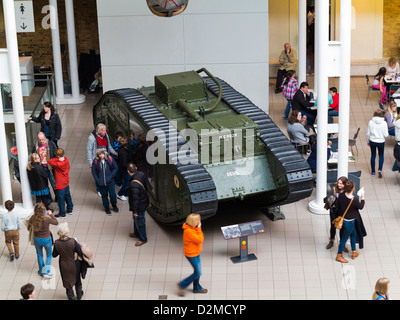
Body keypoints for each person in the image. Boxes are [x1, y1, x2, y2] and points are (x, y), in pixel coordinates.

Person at [178, 213, 207, 296]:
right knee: (198, 273)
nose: (200, 221)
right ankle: (182, 284)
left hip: (195, 252)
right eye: (198, 220)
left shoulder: (191, 228)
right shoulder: (189, 231)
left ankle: (197, 288)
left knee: (196, 271)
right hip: (192, 255)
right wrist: (199, 228)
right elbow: (200, 239)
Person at [52, 222, 84, 300]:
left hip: (63, 265)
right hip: (75, 264)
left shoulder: (56, 243)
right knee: (77, 280)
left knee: (67, 282)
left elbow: (54, 255)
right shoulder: (73, 241)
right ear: (67, 231)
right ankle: (79, 295)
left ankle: (71, 297)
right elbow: (80, 252)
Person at [335, 180, 365, 263]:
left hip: (344, 220)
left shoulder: (341, 195)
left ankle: (354, 252)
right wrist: (362, 197)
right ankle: (339, 255)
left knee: (353, 234)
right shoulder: (354, 200)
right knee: (344, 239)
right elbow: (361, 207)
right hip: (350, 222)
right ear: (353, 188)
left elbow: (338, 206)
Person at [26, 202, 58, 277]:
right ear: (44, 211)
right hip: (47, 239)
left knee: (39, 255)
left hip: (37, 239)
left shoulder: (33, 218)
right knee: (49, 255)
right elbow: (56, 222)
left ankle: (41, 271)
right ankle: (46, 271)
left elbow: (29, 222)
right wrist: (51, 215)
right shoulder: (47, 219)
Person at [86, 123, 117, 195]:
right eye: (103, 130)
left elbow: (108, 145)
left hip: (105, 158)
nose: (105, 132)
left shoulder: (105, 135)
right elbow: (89, 150)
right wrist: (91, 162)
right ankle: (99, 189)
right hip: (97, 159)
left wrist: (114, 152)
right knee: (98, 174)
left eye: (105, 130)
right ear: (99, 131)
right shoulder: (92, 138)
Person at [324, 176, 349, 251]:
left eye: (341, 184)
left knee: (342, 227)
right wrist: (332, 202)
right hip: (334, 211)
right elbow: (328, 199)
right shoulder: (334, 190)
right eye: (338, 183)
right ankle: (331, 240)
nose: (339, 185)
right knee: (333, 226)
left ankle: (342, 243)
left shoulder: (347, 191)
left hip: (342, 212)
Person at [127, 162, 150, 246]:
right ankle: (136, 233)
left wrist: (135, 210)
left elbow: (135, 199)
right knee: (136, 220)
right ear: (136, 168)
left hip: (139, 206)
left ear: (128, 171)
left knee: (140, 221)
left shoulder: (133, 185)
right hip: (144, 200)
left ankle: (143, 238)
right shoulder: (141, 174)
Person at [91, 148, 119, 215]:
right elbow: (93, 171)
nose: (101, 155)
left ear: (105, 153)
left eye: (102, 153)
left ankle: (114, 205)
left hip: (110, 182)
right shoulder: (95, 161)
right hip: (101, 183)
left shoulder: (109, 159)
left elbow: (115, 168)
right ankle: (106, 207)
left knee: (112, 195)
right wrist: (97, 180)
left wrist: (111, 177)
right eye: (99, 154)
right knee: (104, 196)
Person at [47, 148, 73, 218]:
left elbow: (49, 161)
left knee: (61, 199)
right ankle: (70, 209)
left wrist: (57, 159)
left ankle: (62, 213)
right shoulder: (66, 160)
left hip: (59, 183)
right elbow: (68, 167)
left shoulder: (57, 164)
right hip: (66, 181)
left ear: (58, 156)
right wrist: (60, 158)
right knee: (68, 196)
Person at [32, 131, 57, 202]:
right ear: (37, 139)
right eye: (40, 140)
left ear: (45, 138)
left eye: (43, 139)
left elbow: (55, 154)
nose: (42, 141)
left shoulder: (51, 144)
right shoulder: (36, 146)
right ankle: (49, 199)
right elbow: (33, 155)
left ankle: (58, 197)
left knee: (54, 184)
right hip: (41, 168)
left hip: (50, 168)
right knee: (45, 185)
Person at [367, 109, 389, 178]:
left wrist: (368, 141)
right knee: (381, 155)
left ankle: (373, 171)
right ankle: (380, 170)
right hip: (381, 141)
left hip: (372, 141)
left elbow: (368, 134)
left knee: (373, 155)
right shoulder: (384, 123)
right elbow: (386, 134)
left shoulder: (371, 122)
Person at [117, 137, 132, 201]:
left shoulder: (121, 150)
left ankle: (126, 194)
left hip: (124, 169)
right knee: (127, 182)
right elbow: (124, 164)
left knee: (127, 182)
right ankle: (120, 194)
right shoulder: (124, 152)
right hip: (125, 170)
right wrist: (130, 168)